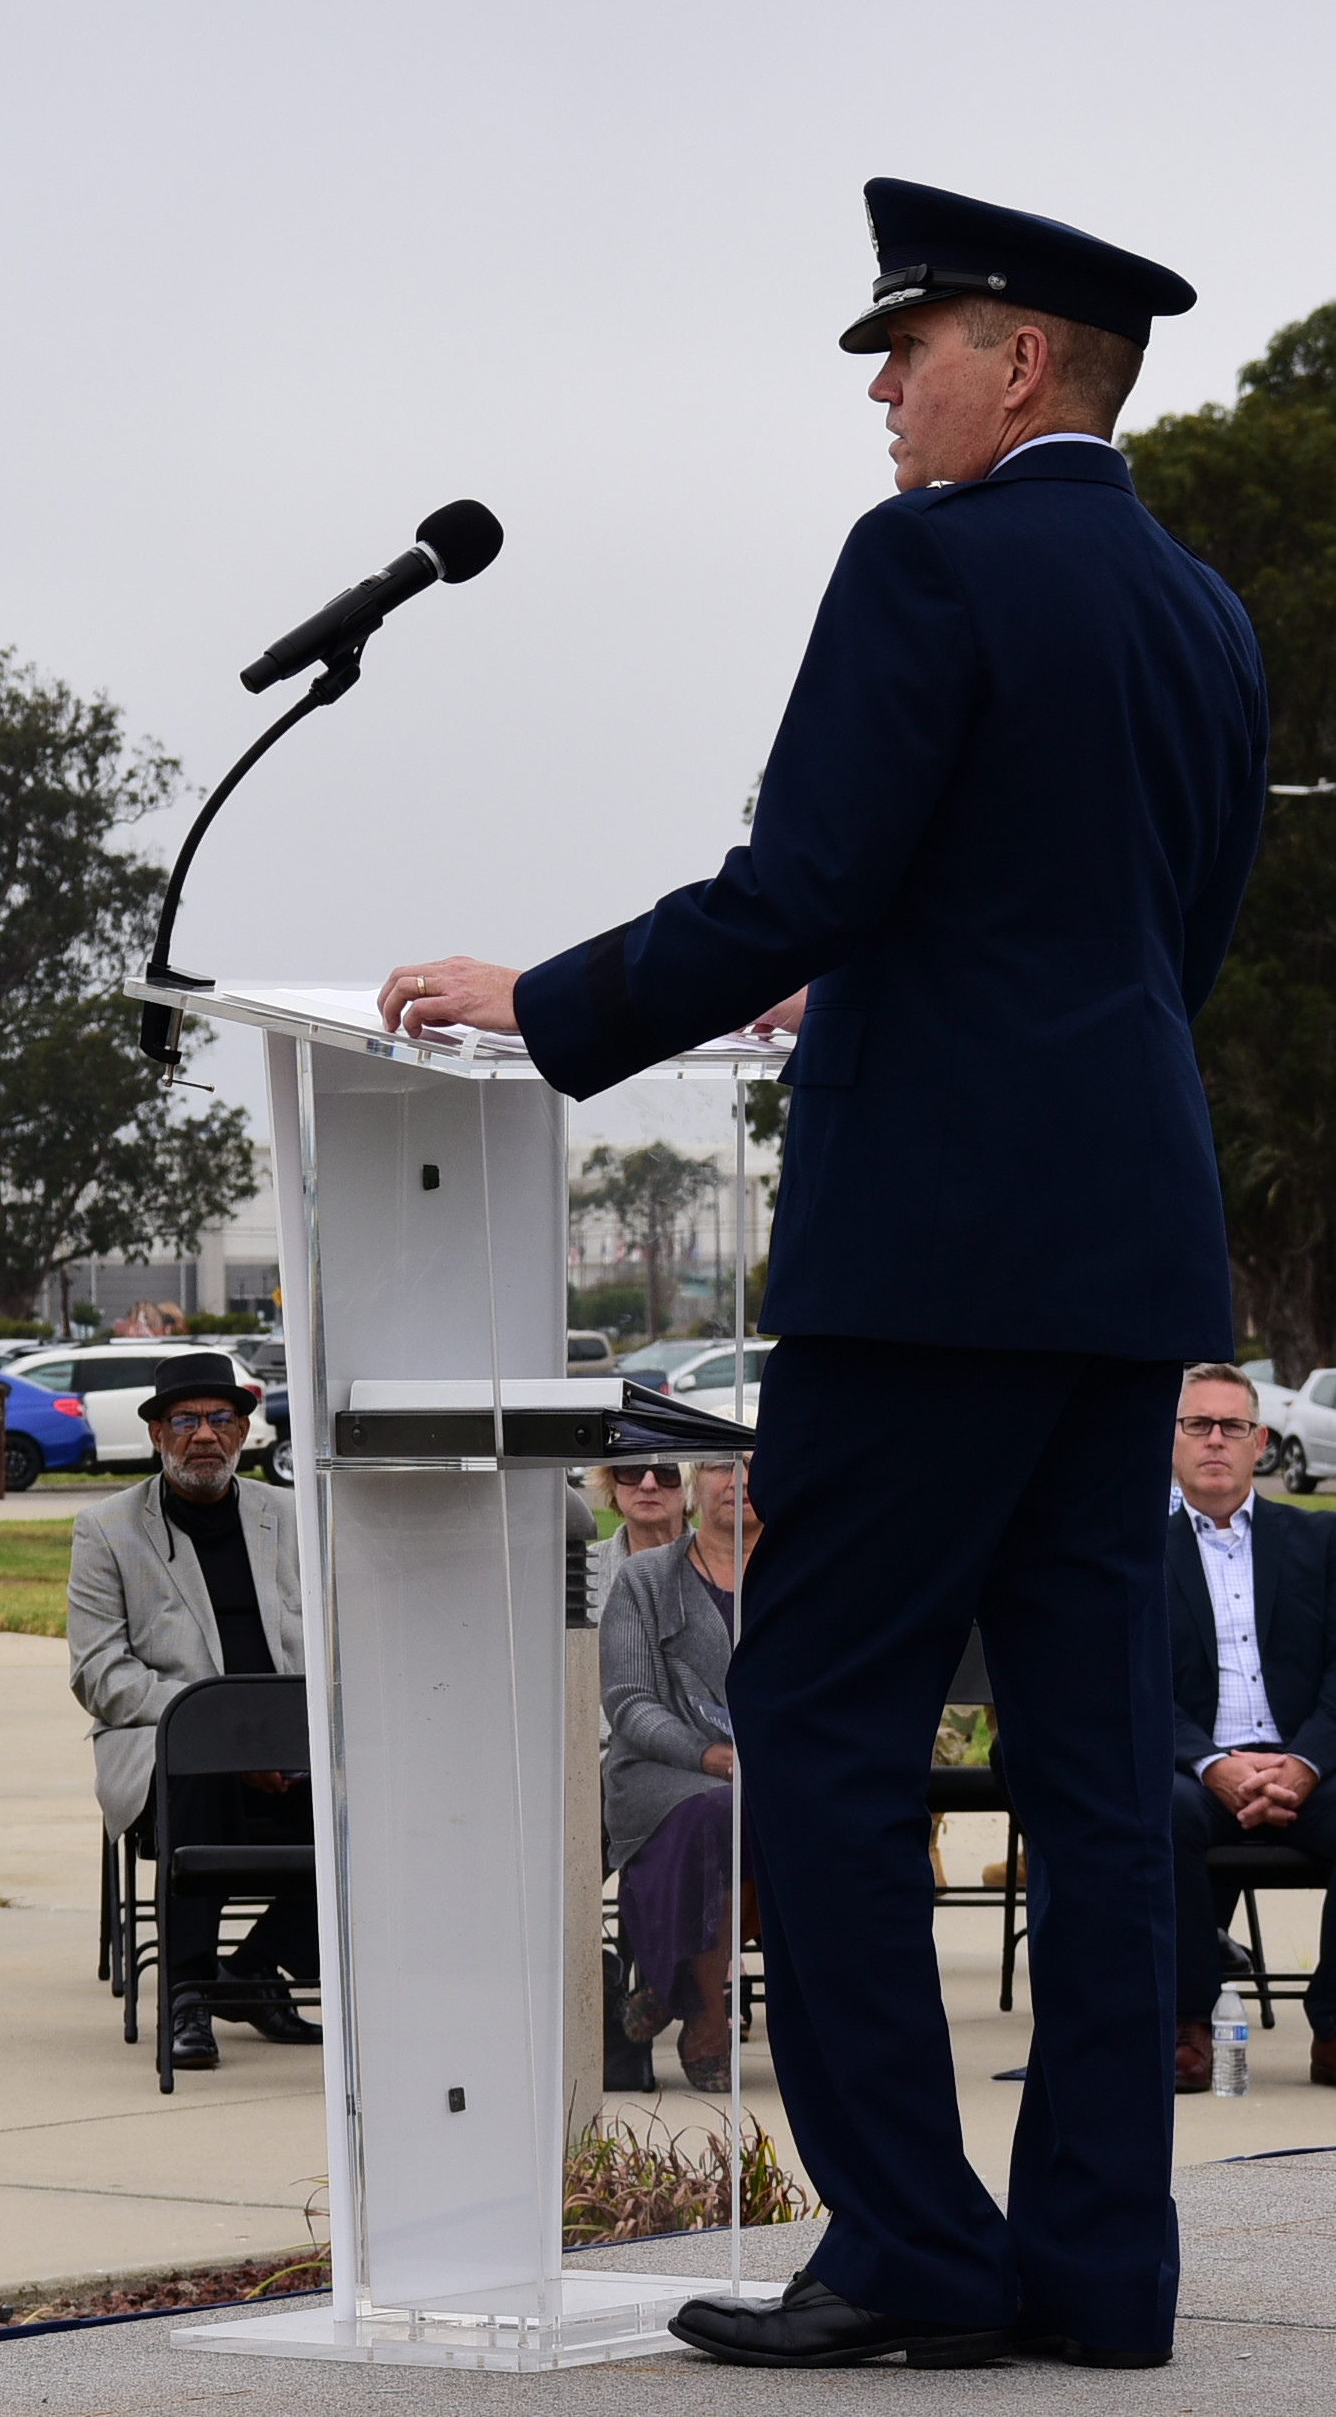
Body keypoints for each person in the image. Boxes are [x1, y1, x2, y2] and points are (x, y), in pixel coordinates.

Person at [379, 182, 1259, 2370]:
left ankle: (906, 2249)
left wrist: (544, 995)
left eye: (911, 346)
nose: (881, 391)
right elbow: (1179, 938)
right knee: (1090, 1753)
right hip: (1120, 1244)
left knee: (823, 1717)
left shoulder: (925, 559)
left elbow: (809, 875)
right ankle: (1096, 2268)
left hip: (929, 1255)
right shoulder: (1200, 608)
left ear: (1019, 362)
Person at [61, 1351, 314, 2071]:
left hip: (292, 1744)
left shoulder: (291, 1517)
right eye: (184, 1420)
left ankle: (251, 1970)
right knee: (195, 1769)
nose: (203, 1435)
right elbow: (100, 1674)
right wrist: (227, 1733)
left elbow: (337, 1645)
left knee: (384, 1805)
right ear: (155, 1434)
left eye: (220, 1419)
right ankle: (186, 1994)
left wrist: (287, 1740)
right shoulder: (106, 1530)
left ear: (242, 1431)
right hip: (168, 1744)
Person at [1165, 1362, 1336, 2091]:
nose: (1213, 1440)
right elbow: (1127, 1687)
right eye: (1195, 1424)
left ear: (1259, 1441)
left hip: (1302, 1763)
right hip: (1193, 1773)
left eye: (1230, 1426)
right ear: (1167, 1439)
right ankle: (1187, 2024)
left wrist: (1303, 1762)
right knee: (1154, 1813)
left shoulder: (1318, 1541)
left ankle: (1332, 2026)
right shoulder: (1133, 1553)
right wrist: (1212, 1765)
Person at [603, 1459, 755, 2093]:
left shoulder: (808, 1573)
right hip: (662, 1770)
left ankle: (665, 1991)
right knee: (718, 1811)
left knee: (787, 1815)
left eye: (756, 1465)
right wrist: (713, 1757)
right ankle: (709, 2019)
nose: (739, 1480)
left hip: (775, 1765)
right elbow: (630, 1701)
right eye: (722, 1466)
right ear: (698, 1487)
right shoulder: (645, 1578)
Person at [585, 1463, 692, 1623]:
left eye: (668, 1472)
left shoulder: (729, 1567)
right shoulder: (581, 1569)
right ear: (612, 1481)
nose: (648, 1485)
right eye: (631, 1471)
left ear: (692, 1484)